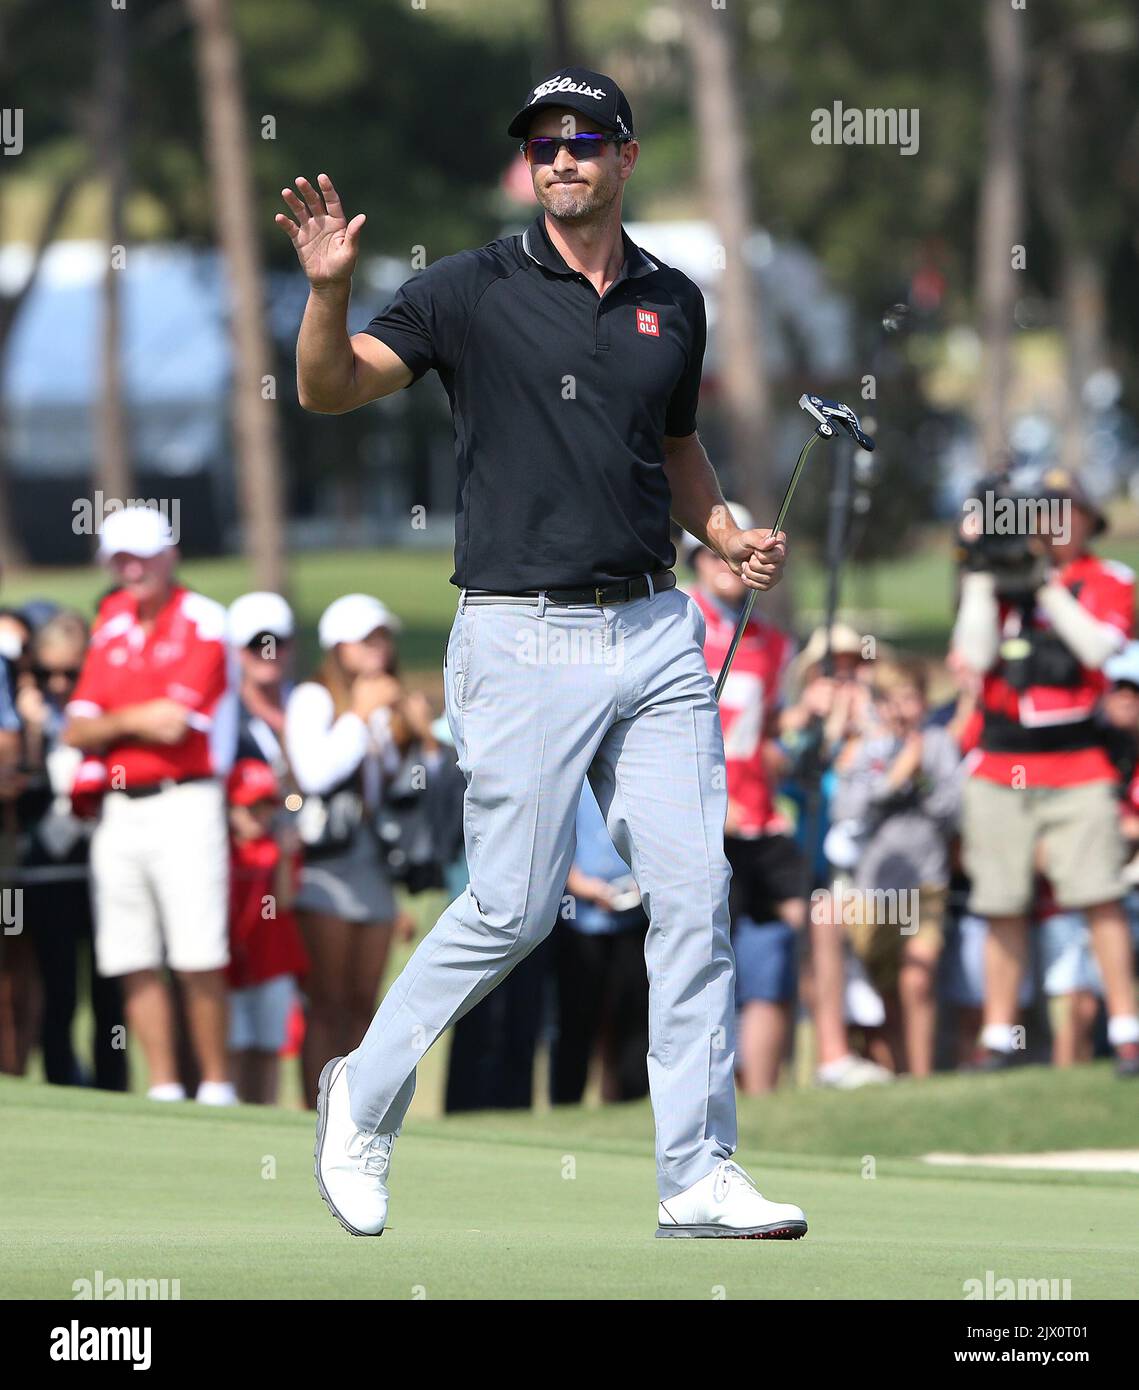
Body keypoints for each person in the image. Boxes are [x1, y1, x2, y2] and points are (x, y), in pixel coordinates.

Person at [284, 65, 804, 1239]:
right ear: (532, 165)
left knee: (693, 894)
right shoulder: (466, 289)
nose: (561, 158)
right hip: (522, 634)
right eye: (543, 144)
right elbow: (329, 391)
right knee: (513, 909)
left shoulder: (673, 297)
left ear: (623, 157)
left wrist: (722, 534)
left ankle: (695, 1170)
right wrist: (325, 296)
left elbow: (674, 452)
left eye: (584, 140)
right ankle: (362, 1092)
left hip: (658, 626)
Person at [952, 467, 1139, 1077]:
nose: (1054, 525)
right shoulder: (994, 581)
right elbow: (974, 660)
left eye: (1067, 512)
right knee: (1001, 899)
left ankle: (1127, 1029)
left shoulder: (1109, 579)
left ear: (1087, 520)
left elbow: (1097, 649)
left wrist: (1044, 584)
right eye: (1043, 513)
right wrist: (983, 576)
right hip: (1003, 760)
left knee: (1099, 895)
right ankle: (999, 1036)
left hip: (1077, 759)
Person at [62, 505, 238, 1104]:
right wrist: (129, 720)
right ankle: (163, 1089)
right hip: (119, 810)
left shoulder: (206, 621)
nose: (131, 570)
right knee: (131, 955)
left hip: (185, 803)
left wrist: (113, 722)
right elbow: (75, 728)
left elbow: (173, 725)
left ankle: (215, 1087)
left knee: (197, 955)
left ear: (170, 556)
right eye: (120, 560)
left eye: (141, 556)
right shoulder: (109, 623)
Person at [680, 507, 801, 1093]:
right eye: (720, 554)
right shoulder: (678, 620)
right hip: (697, 820)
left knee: (784, 944)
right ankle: (704, 1089)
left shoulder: (773, 641)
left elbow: (772, 738)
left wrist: (806, 726)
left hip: (759, 819)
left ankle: (772, 1090)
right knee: (704, 963)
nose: (730, 565)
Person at [285, 594, 405, 1108]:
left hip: (375, 860)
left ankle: (355, 1112)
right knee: (327, 1001)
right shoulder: (314, 698)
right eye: (365, 638)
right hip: (327, 862)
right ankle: (318, 1109)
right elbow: (315, 772)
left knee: (363, 1002)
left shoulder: (386, 701)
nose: (378, 647)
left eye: (382, 636)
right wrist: (359, 716)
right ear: (338, 647)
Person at [830, 659, 961, 1076]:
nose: (903, 709)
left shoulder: (937, 743)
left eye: (911, 698)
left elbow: (951, 811)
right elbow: (847, 812)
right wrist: (890, 780)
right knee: (885, 991)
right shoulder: (868, 748)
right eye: (894, 700)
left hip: (926, 882)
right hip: (875, 889)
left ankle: (922, 1076)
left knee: (917, 979)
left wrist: (920, 777)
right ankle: (901, 1076)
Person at [777, 625, 893, 1087]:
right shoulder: (796, 727)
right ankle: (823, 1059)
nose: (846, 684)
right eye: (834, 674)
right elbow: (795, 775)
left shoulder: (880, 729)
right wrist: (821, 727)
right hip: (807, 869)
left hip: (877, 875)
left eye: (853, 672)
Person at [16, 611, 126, 1090]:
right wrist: (33, 732)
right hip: (48, 878)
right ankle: (62, 1085)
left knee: (112, 996)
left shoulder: (106, 717)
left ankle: (114, 1091)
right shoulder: (21, 720)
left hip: (106, 871)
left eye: (71, 672)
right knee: (59, 994)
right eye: (46, 673)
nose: (58, 684)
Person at [550, 782, 649, 1105]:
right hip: (580, 919)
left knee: (634, 1024)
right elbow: (551, 834)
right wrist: (580, 884)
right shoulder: (570, 768)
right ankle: (566, 1108)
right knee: (576, 1024)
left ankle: (629, 1106)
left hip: (634, 914)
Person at [225, 758, 308, 1104]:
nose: (258, 817)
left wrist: (284, 859)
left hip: (272, 963)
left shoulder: (276, 850)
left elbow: (285, 901)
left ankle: (265, 1113)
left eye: (264, 808)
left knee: (268, 1048)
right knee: (235, 1048)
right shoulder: (219, 850)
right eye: (248, 808)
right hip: (229, 968)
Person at [227, 592, 296, 779]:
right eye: (256, 644)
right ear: (235, 650)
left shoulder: (312, 704)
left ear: (291, 645)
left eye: (276, 643)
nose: (268, 654)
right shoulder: (225, 717)